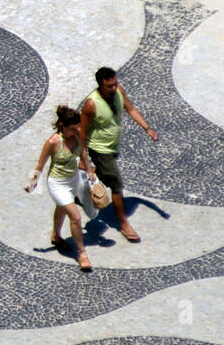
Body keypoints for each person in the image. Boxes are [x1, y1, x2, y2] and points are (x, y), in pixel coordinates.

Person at [79, 66, 158, 243]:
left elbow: (130, 109)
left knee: (102, 173)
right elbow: (82, 132)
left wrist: (147, 128)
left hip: (113, 146)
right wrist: (83, 154)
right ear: (101, 85)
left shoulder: (119, 91)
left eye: (115, 84)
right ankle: (123, 224)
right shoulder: (91, 104)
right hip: (99, 149)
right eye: (110, 86)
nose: (114, 88)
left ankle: (80, 182)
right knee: (116, 184)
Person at [26, 105, 98, 271]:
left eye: (77, 127)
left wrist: (89, 171)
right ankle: (81, 253)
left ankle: (56, 236)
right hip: (57, 184)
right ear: (62, 127)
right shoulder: (53, 142)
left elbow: (83, 154)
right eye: (72, 128)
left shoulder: (78, 135)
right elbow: (40, 164)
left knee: (61, 208)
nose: (76, 130)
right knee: (76, 217)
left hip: (73, 180)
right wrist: (33, 182)